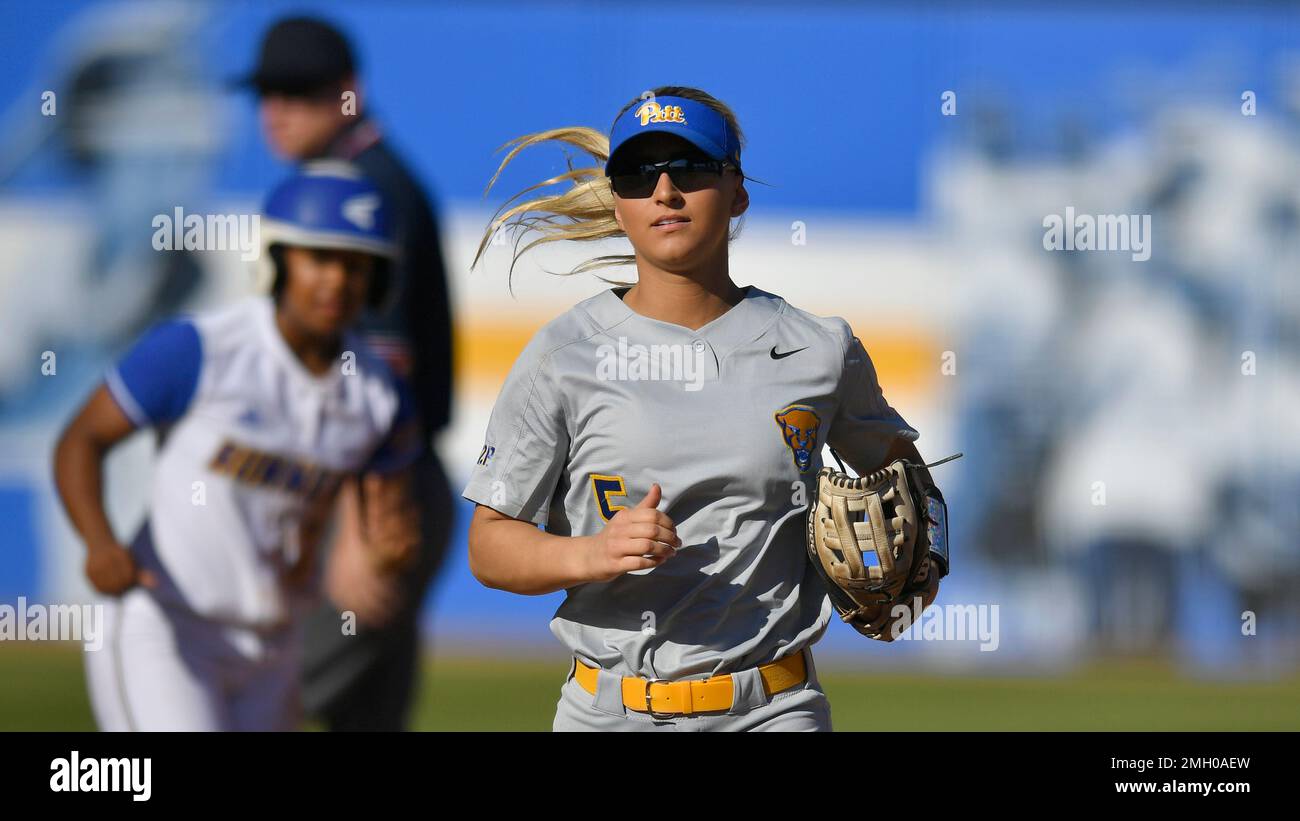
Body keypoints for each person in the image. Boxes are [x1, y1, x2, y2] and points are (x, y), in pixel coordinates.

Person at [464, 86, 941, 732]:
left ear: (737, 189)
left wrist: (915, 573)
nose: (664, 190)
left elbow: (909, 480)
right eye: (639, 173)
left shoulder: (816, 349)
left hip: (774, 706)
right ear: (618, 200)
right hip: (610, 709)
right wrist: (593, 552)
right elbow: (489, 545)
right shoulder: (564, 353)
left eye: (688, 167)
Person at [54, 164, 421, 731]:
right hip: (170, 626)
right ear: (276, 259)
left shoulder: (379, 391)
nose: (337, 281)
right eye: (318, 257)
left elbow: (388, 518)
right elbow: (82, 439)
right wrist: (99, 542)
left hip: (276, 648)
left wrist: (384, 548)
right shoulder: (200, 349)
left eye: (355, 265)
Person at [238, 16, 455, 730]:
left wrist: (363, 529)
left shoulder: (363, 194)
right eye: (267, 93)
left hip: (373, 491)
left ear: (348, 95)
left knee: (263, 700)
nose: (276, 109)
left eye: (298, 92)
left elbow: (381, 377)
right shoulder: (355, 180)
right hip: (375, 486)